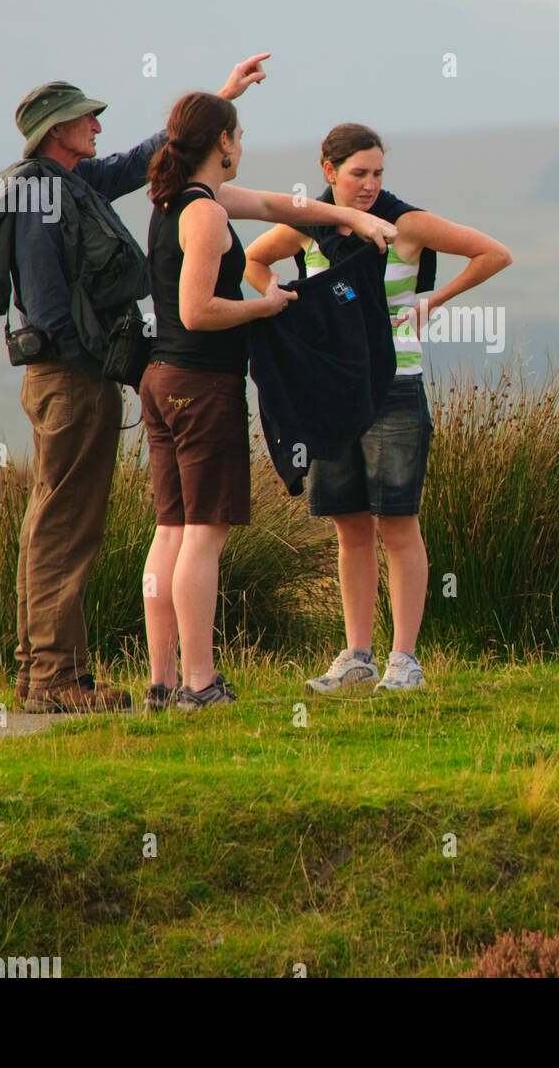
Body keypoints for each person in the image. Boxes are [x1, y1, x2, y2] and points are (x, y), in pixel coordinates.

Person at [7, 55, 269, 714]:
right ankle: (54, 683)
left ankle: (54, 675)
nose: (96, 124)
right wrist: (97, 358)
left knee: (68, 523)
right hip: (69, 380)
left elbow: (141, 160)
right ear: (54, 131)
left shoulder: (74, 180)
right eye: (83, 118)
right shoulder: (40, 195)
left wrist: (220, 96)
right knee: (62, 527)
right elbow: (46, 307)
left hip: (89, 378)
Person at [139, 97, 397, 712]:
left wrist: (350, 219)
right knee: (203, 534)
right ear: (222, 142)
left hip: (161, 381)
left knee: (170, 531)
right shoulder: (204, 214)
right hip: (201, 386)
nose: (243, 145)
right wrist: (267, 305)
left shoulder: (184, 197)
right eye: (239, 135)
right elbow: (199, 310)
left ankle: (163, 681)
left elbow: (282, 206)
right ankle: (200, 685)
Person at [243, 123, 512, 694]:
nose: (369, 185)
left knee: (397, 523)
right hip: (329, 394)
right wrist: (281, 305)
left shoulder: (406, 224)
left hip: (394, 388)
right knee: (349, 528)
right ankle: (357, 655)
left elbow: (494, 253)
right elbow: (253, 262)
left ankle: (404, 660)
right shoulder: (307, 226)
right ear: (328, 171)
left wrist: (433, 298)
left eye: (377, 174)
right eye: (358, 174)